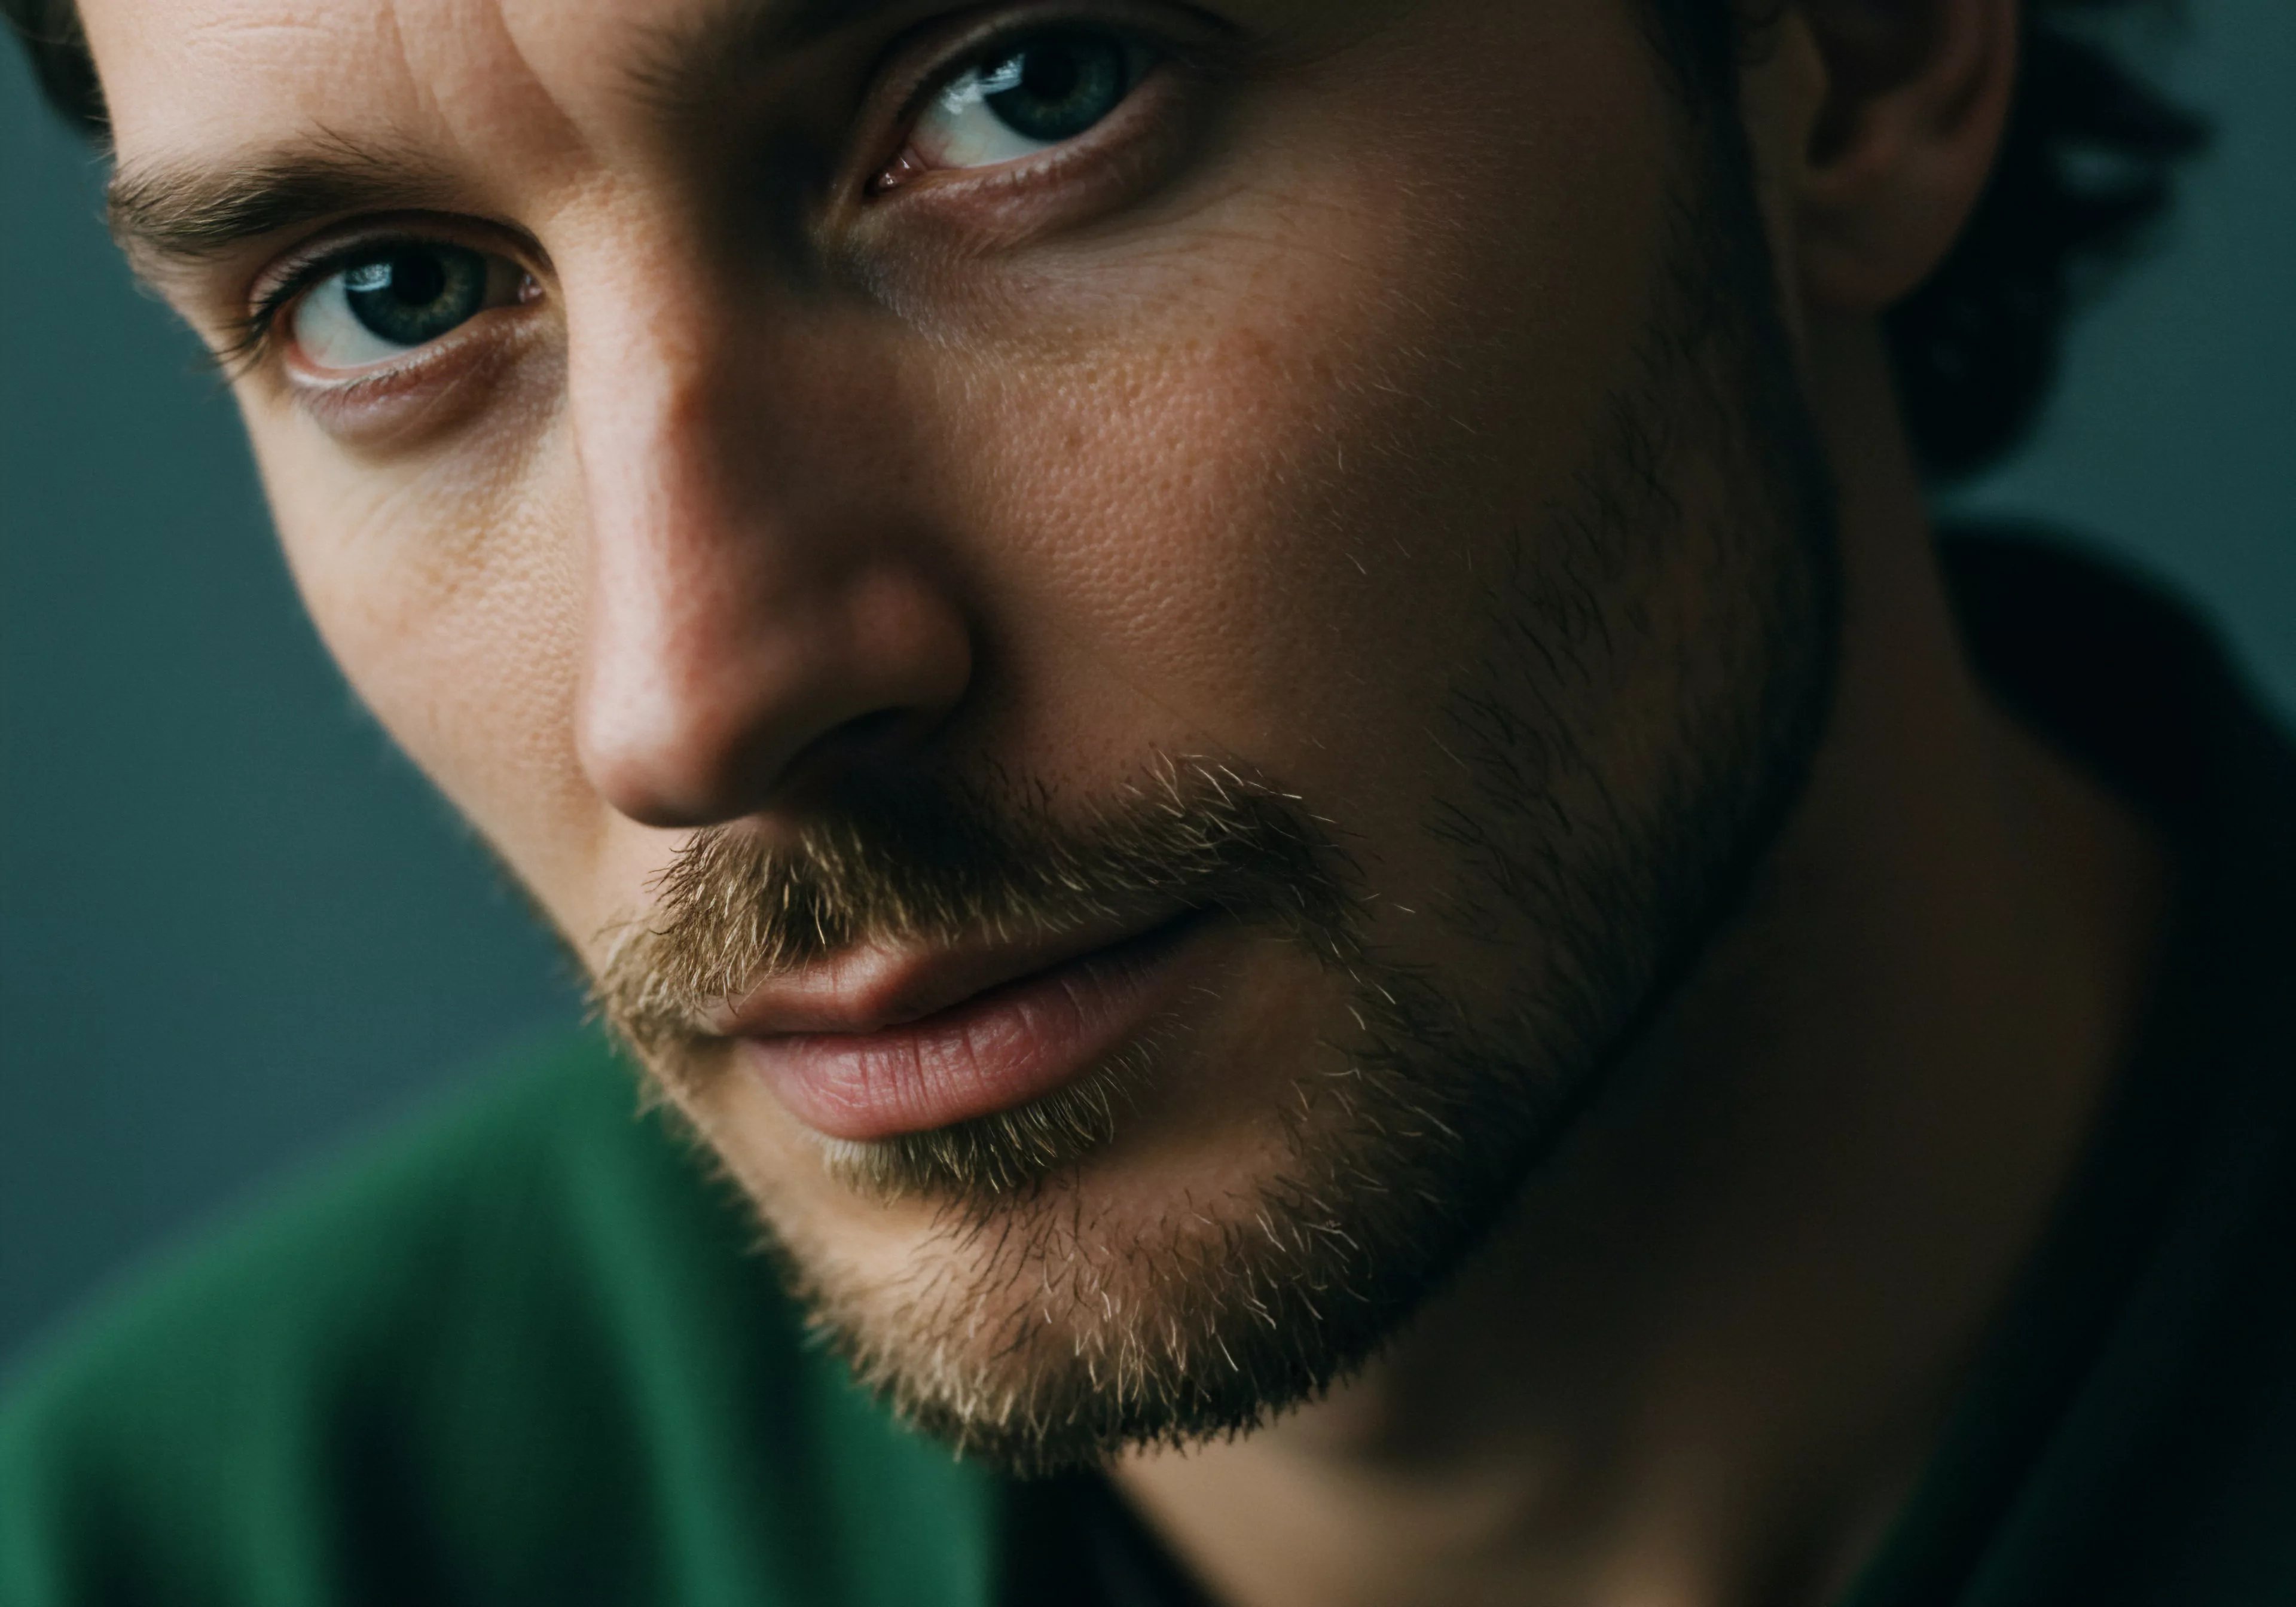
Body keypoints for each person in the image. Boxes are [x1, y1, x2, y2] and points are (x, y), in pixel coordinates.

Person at [1, 0, 2284, 1603]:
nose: (690, 704)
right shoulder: (201, 1552)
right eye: (383, 298)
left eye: (1026, 93)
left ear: (1853, 55)